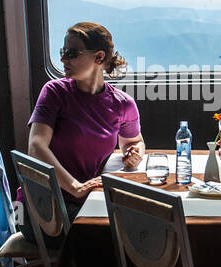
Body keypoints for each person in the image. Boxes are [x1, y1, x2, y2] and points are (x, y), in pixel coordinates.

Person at [22, 22, 144, 238]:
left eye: (71, 53)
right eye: (63, 52)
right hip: (42, 207)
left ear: (98, 58)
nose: (63, 60)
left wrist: (134, 153)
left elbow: (135, 141)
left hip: (86, 202)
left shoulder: (122, 104)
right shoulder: (54, 93)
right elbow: (36, 146)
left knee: (140, 228)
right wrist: (75, 187)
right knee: (120, 238)